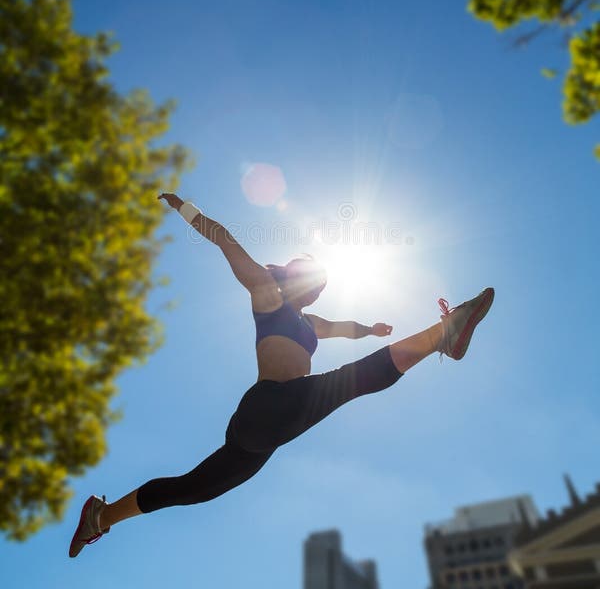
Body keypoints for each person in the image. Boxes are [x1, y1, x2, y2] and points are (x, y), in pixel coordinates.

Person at [68, 193, 494, 557]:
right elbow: (225, 241)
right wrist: (186, 209)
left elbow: (342, 328)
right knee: (348, 383)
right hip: (266, 408)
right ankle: (442, 334)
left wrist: (371, 329)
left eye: (321, 287)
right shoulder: (266, 293)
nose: (317, 290)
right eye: (312, 281)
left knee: (192, 488)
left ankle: (100, 517)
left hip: (265, 433)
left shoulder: (310, 323)